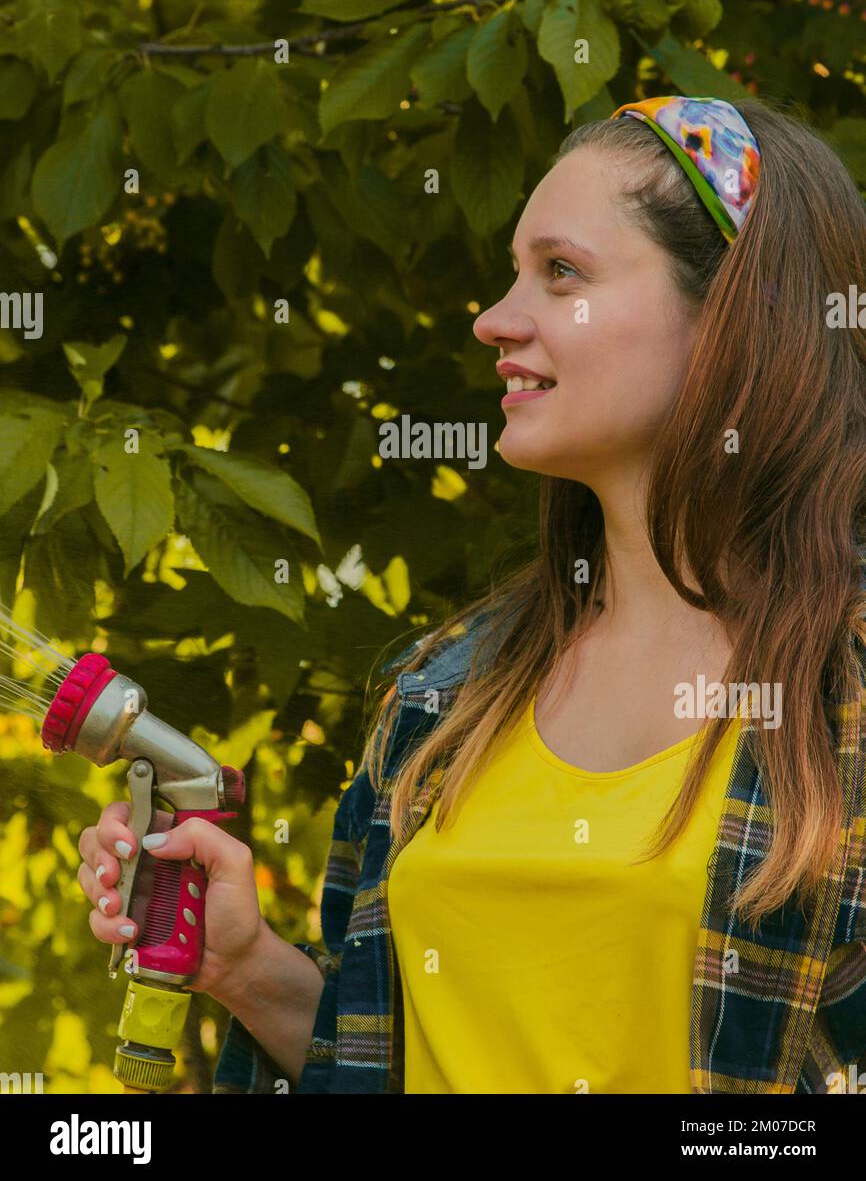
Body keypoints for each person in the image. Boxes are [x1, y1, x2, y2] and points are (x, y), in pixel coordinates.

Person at [77, 94, 866, 1094]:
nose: (495, 318)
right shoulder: (442, 690)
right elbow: (375, 1062)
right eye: (512, 273)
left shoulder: (843, 691)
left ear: (729, 318)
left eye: (560, 272)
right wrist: (246, 970)